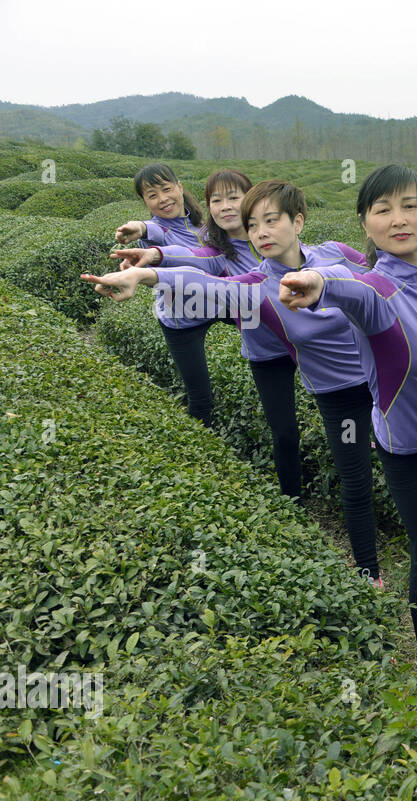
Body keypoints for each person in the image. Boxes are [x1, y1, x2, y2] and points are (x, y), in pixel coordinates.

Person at [82, 180, 384, 584]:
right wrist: (146, 274)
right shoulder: (257, 288)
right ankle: (370, 574)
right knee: (356, 479)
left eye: (271, 221)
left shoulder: (333, 254)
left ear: (298, 221)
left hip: (386, 376)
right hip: (339, 396)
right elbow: (202, 279)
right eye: (253, 224)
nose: (260, 232)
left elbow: (384, 276)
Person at [277, 165, 417, 670]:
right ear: (365, 223)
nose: (399, 219)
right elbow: (343, 285)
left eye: (410, 206)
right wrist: (315, 281)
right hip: (411, 441)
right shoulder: (374, 289)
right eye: (383, 210)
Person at [112, 169, 304, 498]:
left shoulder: (241, 233)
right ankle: (205, 464)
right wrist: (150, 252)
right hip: (183, 317)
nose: (226, 206)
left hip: (225, 306)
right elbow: (185, 254)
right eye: (217, 200)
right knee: (202, 396)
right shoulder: (214, 249)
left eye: (234, 198)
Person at [110, 163, 215, 427]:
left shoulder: (201, 222)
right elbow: (148, 229)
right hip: (183, 321)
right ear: (145, 201)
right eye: (152, 195)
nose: (162, 199)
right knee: (201, 398)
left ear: (179, 187)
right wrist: (137, 228)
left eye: (167, 189)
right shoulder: (155, 232)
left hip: (217, 303)